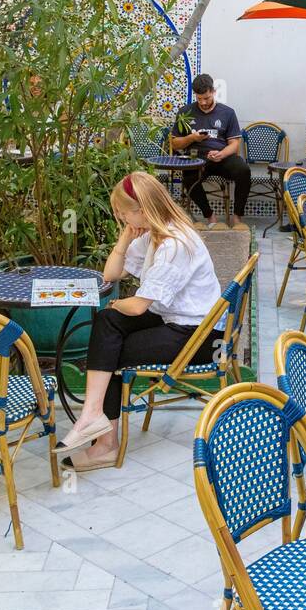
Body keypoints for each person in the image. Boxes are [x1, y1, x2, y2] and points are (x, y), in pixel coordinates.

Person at [56, 172, 220, 471]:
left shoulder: (174, 243)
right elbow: (111, 275)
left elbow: (138, 306)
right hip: (171, 319)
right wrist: (124, 239)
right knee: (107, 323)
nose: (118, 215)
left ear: (143, 210)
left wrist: (120, 304)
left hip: (198, 336)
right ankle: (93, 415)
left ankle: (104, 444)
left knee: (110, 349)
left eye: (122, 211)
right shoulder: (154, 233)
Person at [171, 74, 251, 229]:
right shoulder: (185, 112)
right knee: (188, 176)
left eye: (206, 98)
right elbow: (175, 144)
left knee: (243, 170)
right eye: (199, 98)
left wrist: (222, 154)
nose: (203, 102)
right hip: (197, 158)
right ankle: (210, 216)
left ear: (213, 91)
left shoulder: (227, 113)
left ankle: (237, 217)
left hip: (223, 157)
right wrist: (192, 138)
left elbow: (235, 144)